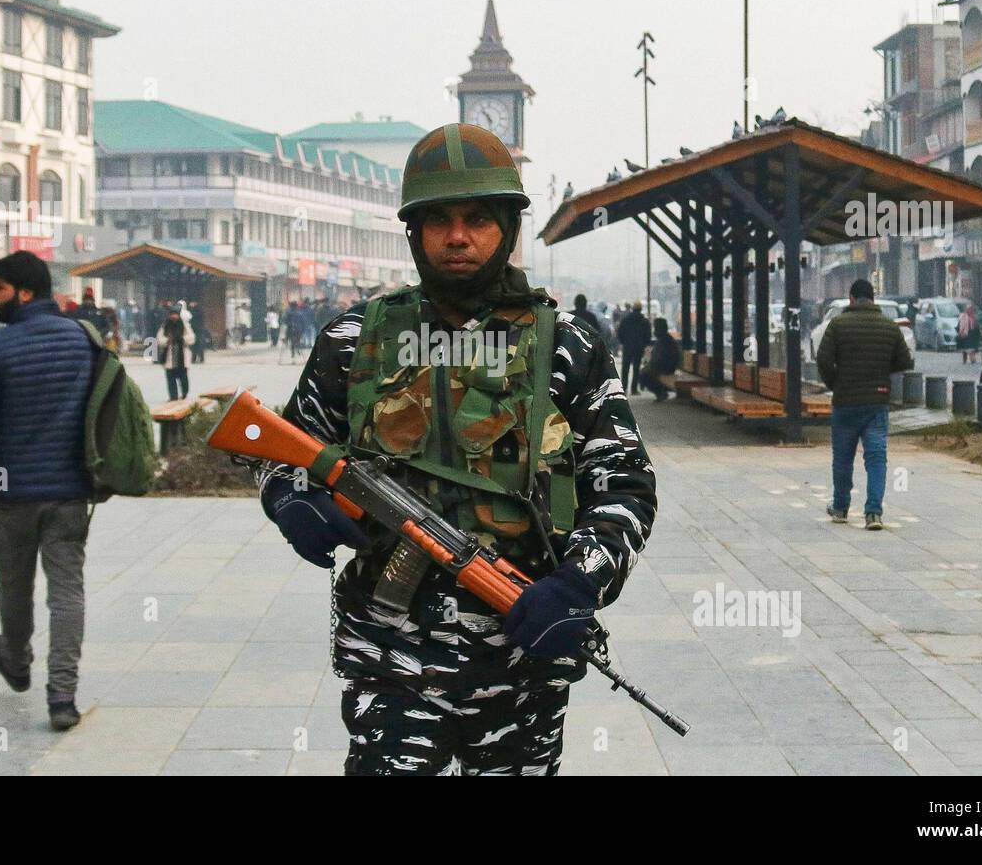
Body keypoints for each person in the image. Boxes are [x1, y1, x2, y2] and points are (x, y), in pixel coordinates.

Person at [258, 123, 656, 775]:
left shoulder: (566, 344)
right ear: (414, 232)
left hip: (520, 662)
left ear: (507, 225)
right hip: (392, 666)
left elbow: (622, 484)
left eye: (477, 218)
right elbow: (288, 449)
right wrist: (292, 500)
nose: (458, 236)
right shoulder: (355, 339)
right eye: (437, 220)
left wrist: (579, 582)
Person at [0, 251, 94, 732]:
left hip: (11, 492)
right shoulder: (84, 341)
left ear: (25, 292)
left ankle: (16, 658)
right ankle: (63, 698)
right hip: (70, 491)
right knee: (67, 592)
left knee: (15, 584)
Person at [816, 278, 913, 531]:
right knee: (876, 457)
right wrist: (882, 370)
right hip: (876, 401)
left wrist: (835, 382)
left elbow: (823, 359)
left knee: (843, 458)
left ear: (851, 299)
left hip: (845, 401)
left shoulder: (837, 325)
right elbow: (905, 361)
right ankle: (873, 513)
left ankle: (840, 508)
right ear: (872, 298)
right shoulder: (889, 327)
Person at [156, 305, 195, 400]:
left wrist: (182, 339)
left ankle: (184, 393)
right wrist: (167, 340)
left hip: (182, 356)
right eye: (172, 314)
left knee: (183, 378)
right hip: (169, 355)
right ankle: (173, 397)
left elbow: (191, 338)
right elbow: (159, 339)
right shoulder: (165, 325)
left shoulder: (184, 325)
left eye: (175, 314)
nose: (173, 317)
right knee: (170, 378)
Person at [640, 317, 681, 401]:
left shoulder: (665, 341)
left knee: (644, 375)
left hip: (666, 368)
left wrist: (650, 366)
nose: (654, 330)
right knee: (644, 372)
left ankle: (660, 393)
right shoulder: (664, 339)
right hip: (665, 367)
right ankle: (661, 392)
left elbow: (660, 359)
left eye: (655, 327)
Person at [616, 301, 652, 395]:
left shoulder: (625, 319)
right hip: (638, 348)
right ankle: (634, 389)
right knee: (636, 368)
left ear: (633, 308)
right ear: (640, 309)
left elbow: (620, 332)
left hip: (627, 347)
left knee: (625, 368)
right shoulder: (644, 321)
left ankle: (623, 387)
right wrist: (644, 344)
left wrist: (623, 342)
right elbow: (648, 335)